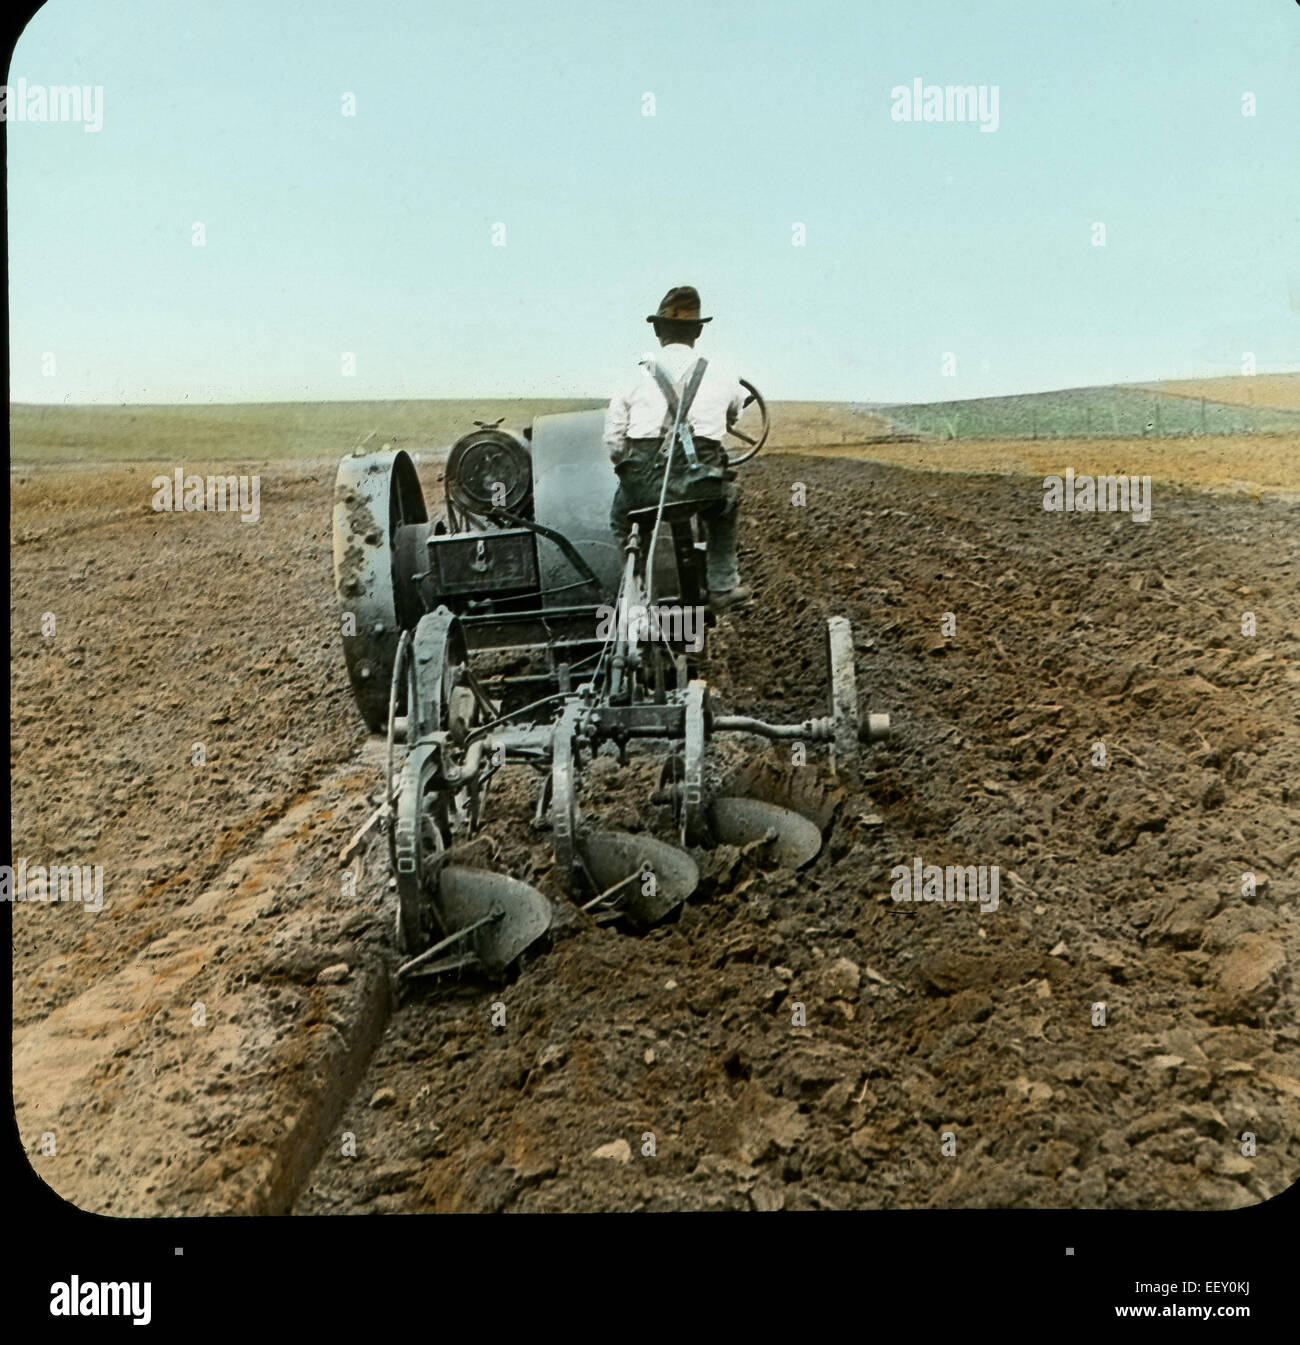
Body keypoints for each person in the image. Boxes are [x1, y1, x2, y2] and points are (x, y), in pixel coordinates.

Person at [603, 286, 750, 612]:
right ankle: (722, 586)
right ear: (698, 331)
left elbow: (613, 443)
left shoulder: (632, 375)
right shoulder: (724, 374)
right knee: (728, 500)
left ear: (658, 331)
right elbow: (733, 417)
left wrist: (632, 469)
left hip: (644, 491)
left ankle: (636, 596)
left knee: (620, 520)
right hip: (702, 488)